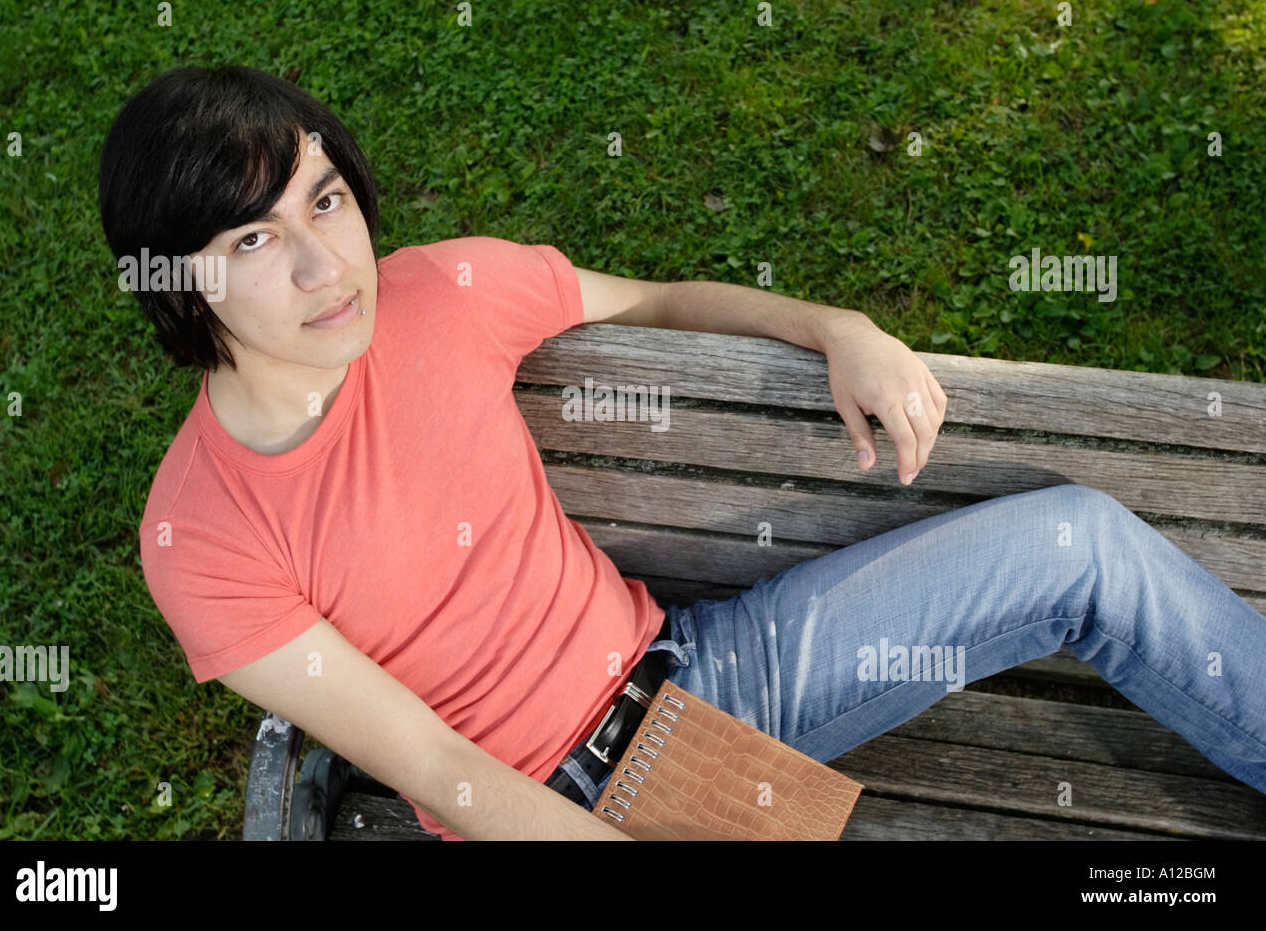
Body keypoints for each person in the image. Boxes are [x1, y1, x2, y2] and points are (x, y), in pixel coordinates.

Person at [101, 66, 1266, 840]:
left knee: (1074, 543)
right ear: (170, 280)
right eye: (254, 238)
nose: (324, 265)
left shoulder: (441, 291)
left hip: (708, 677)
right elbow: (438, 769)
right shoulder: (199, 535)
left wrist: (831, 327)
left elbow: (653, 300)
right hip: (549, 813)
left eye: (324, 200)